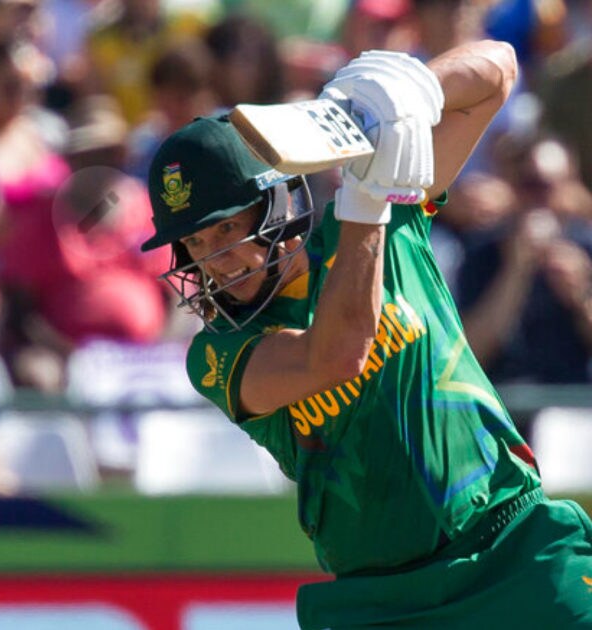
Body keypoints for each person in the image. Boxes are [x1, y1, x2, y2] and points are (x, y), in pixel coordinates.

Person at [140, 40, 592, 628]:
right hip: (382, 602)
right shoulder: (216, 356)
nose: (214, 261)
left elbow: (498, 71)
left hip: (516, 550)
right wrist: (369, 196)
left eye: (226, 228)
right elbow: (336, 356)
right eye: (196, 244)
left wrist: (401, 99)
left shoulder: (387, 221)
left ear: (275, 206)